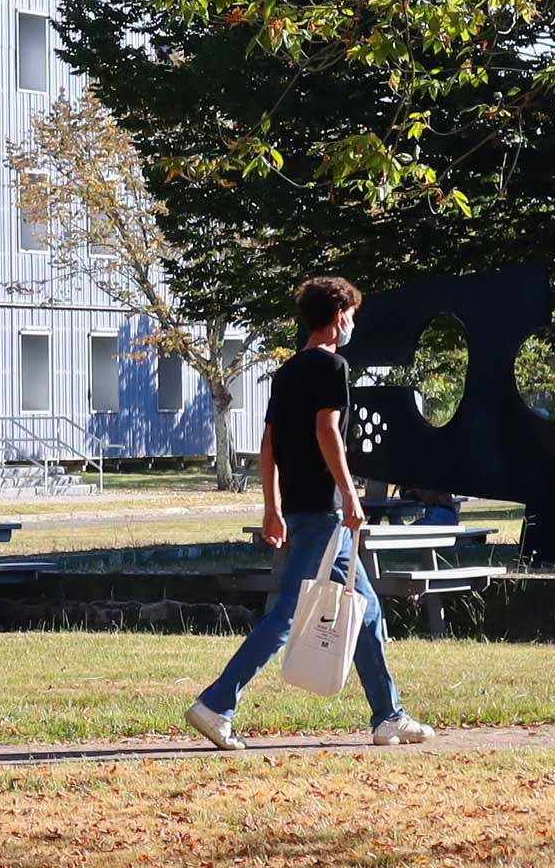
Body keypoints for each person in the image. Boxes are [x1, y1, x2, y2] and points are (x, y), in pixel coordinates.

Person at [186, 276, 435, 749]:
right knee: (286, 615)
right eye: (353, 316)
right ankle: (217, 704)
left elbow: (268, 445)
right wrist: (350, 493)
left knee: (366, 611)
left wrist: (272, 508)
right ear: (340, 315)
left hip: (305, 513)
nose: (353, 325)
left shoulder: (287, 372)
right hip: (325, 514)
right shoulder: (333, 367)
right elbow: (328, 431)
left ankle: (388, 715)